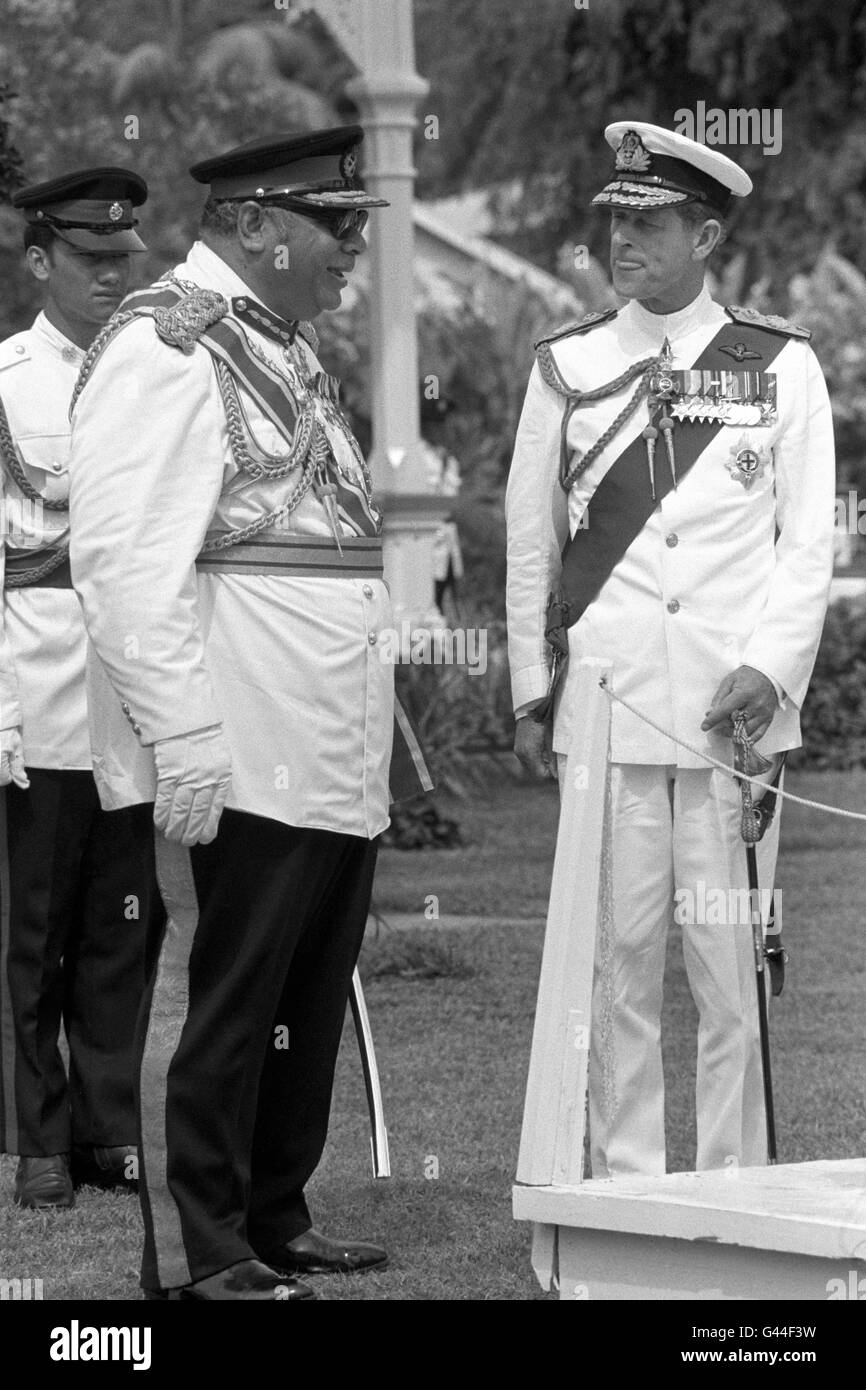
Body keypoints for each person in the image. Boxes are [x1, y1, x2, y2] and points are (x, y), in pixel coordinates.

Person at [67, 126, 424, 1301]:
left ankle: (275, 1209)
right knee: (230, 1000)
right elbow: (123, 564)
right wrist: (184, 736)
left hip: (322, 742)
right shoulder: (170, 344)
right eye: (337, 227)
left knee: (301, 1001)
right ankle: (205, 1244)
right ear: (258, 224)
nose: (352, 252)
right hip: (239, 745)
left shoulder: (282, 344)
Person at [506, 122, 835, 1178]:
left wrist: (771, 668)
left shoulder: (779, 367)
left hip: (729, 716)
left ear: (704, 234)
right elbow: (528, 544)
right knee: (618, 968)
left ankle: (738, 1187)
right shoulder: (565, 365)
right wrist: (528, 690)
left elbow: (804, 541)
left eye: (648, 223)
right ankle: (630, 1187)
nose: (622, 240)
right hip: (608, 711)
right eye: (615, 220)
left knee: (730, 973)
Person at [0, 168, 159, 1208]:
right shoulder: (5, 379)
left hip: (135, 703)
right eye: (92, 261)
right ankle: (36, 1138)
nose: (113, 276)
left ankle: (109, 1126)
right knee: (27, 935)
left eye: (123, 260)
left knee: (123, 928)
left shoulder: (156, 370)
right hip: (38, 691)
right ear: (39, 260)